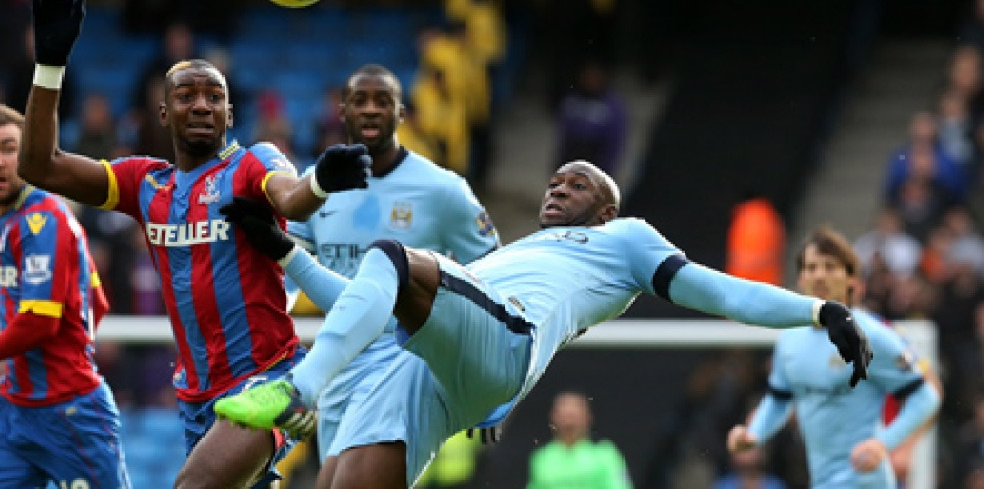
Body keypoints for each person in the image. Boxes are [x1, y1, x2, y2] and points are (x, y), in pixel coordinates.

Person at [213, 159, 874, 488]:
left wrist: (817, 310)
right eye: (554, 181)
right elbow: (361, 299)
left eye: (577, 185)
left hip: (504, 344)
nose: (557, 188)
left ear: (608, 210)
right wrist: (284, 252)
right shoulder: (511, 258)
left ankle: (297, 393)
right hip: (427, 378)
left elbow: (720, 293)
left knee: (392, 255)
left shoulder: (625, 240)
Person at [16, 0, 372, 488]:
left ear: (230, 112)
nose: (202, 104)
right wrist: (49, 67)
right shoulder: (145, 184)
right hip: (195, 397)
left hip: (267, 379)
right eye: (187, 96)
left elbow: (292, 197)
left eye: (215, 96)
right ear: (164, 112)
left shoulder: (251, 164)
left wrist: (321, 179)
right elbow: (40, 167)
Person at [285, 63, 501, 463]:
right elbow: (285, 280)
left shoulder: (442, 190)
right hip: (336, 369)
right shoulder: (315, 186)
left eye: (383, 101)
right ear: (343, 111)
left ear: (401, 114)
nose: (370, 110)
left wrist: (486, 382)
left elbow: (493, 278)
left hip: (407, 365)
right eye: (360, 101)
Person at [0, 102, 130, 488]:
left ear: (30, 154)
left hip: (69, 414)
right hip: (15, 412)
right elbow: (96, 303)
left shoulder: (43, 220)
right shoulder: (20, 221)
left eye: (9, 148)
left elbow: (40, 320)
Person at [726, 226, 941, 488]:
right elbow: (779, 398)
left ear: (852, 280)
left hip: (864, 480)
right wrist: (754, 433)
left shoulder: (871, 335)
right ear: (800, 280)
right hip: (821, 480)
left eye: (830, 267)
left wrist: (885, 443)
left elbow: (926, 395)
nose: (820, 276)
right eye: (812, 268)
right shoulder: (789, 340)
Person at [526, 391, 631, 489]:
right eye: (564, 417)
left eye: (573, 416)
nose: (569, 423)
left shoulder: (605, 454)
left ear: (587, 417)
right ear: (553, 418)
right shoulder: (542, 458)